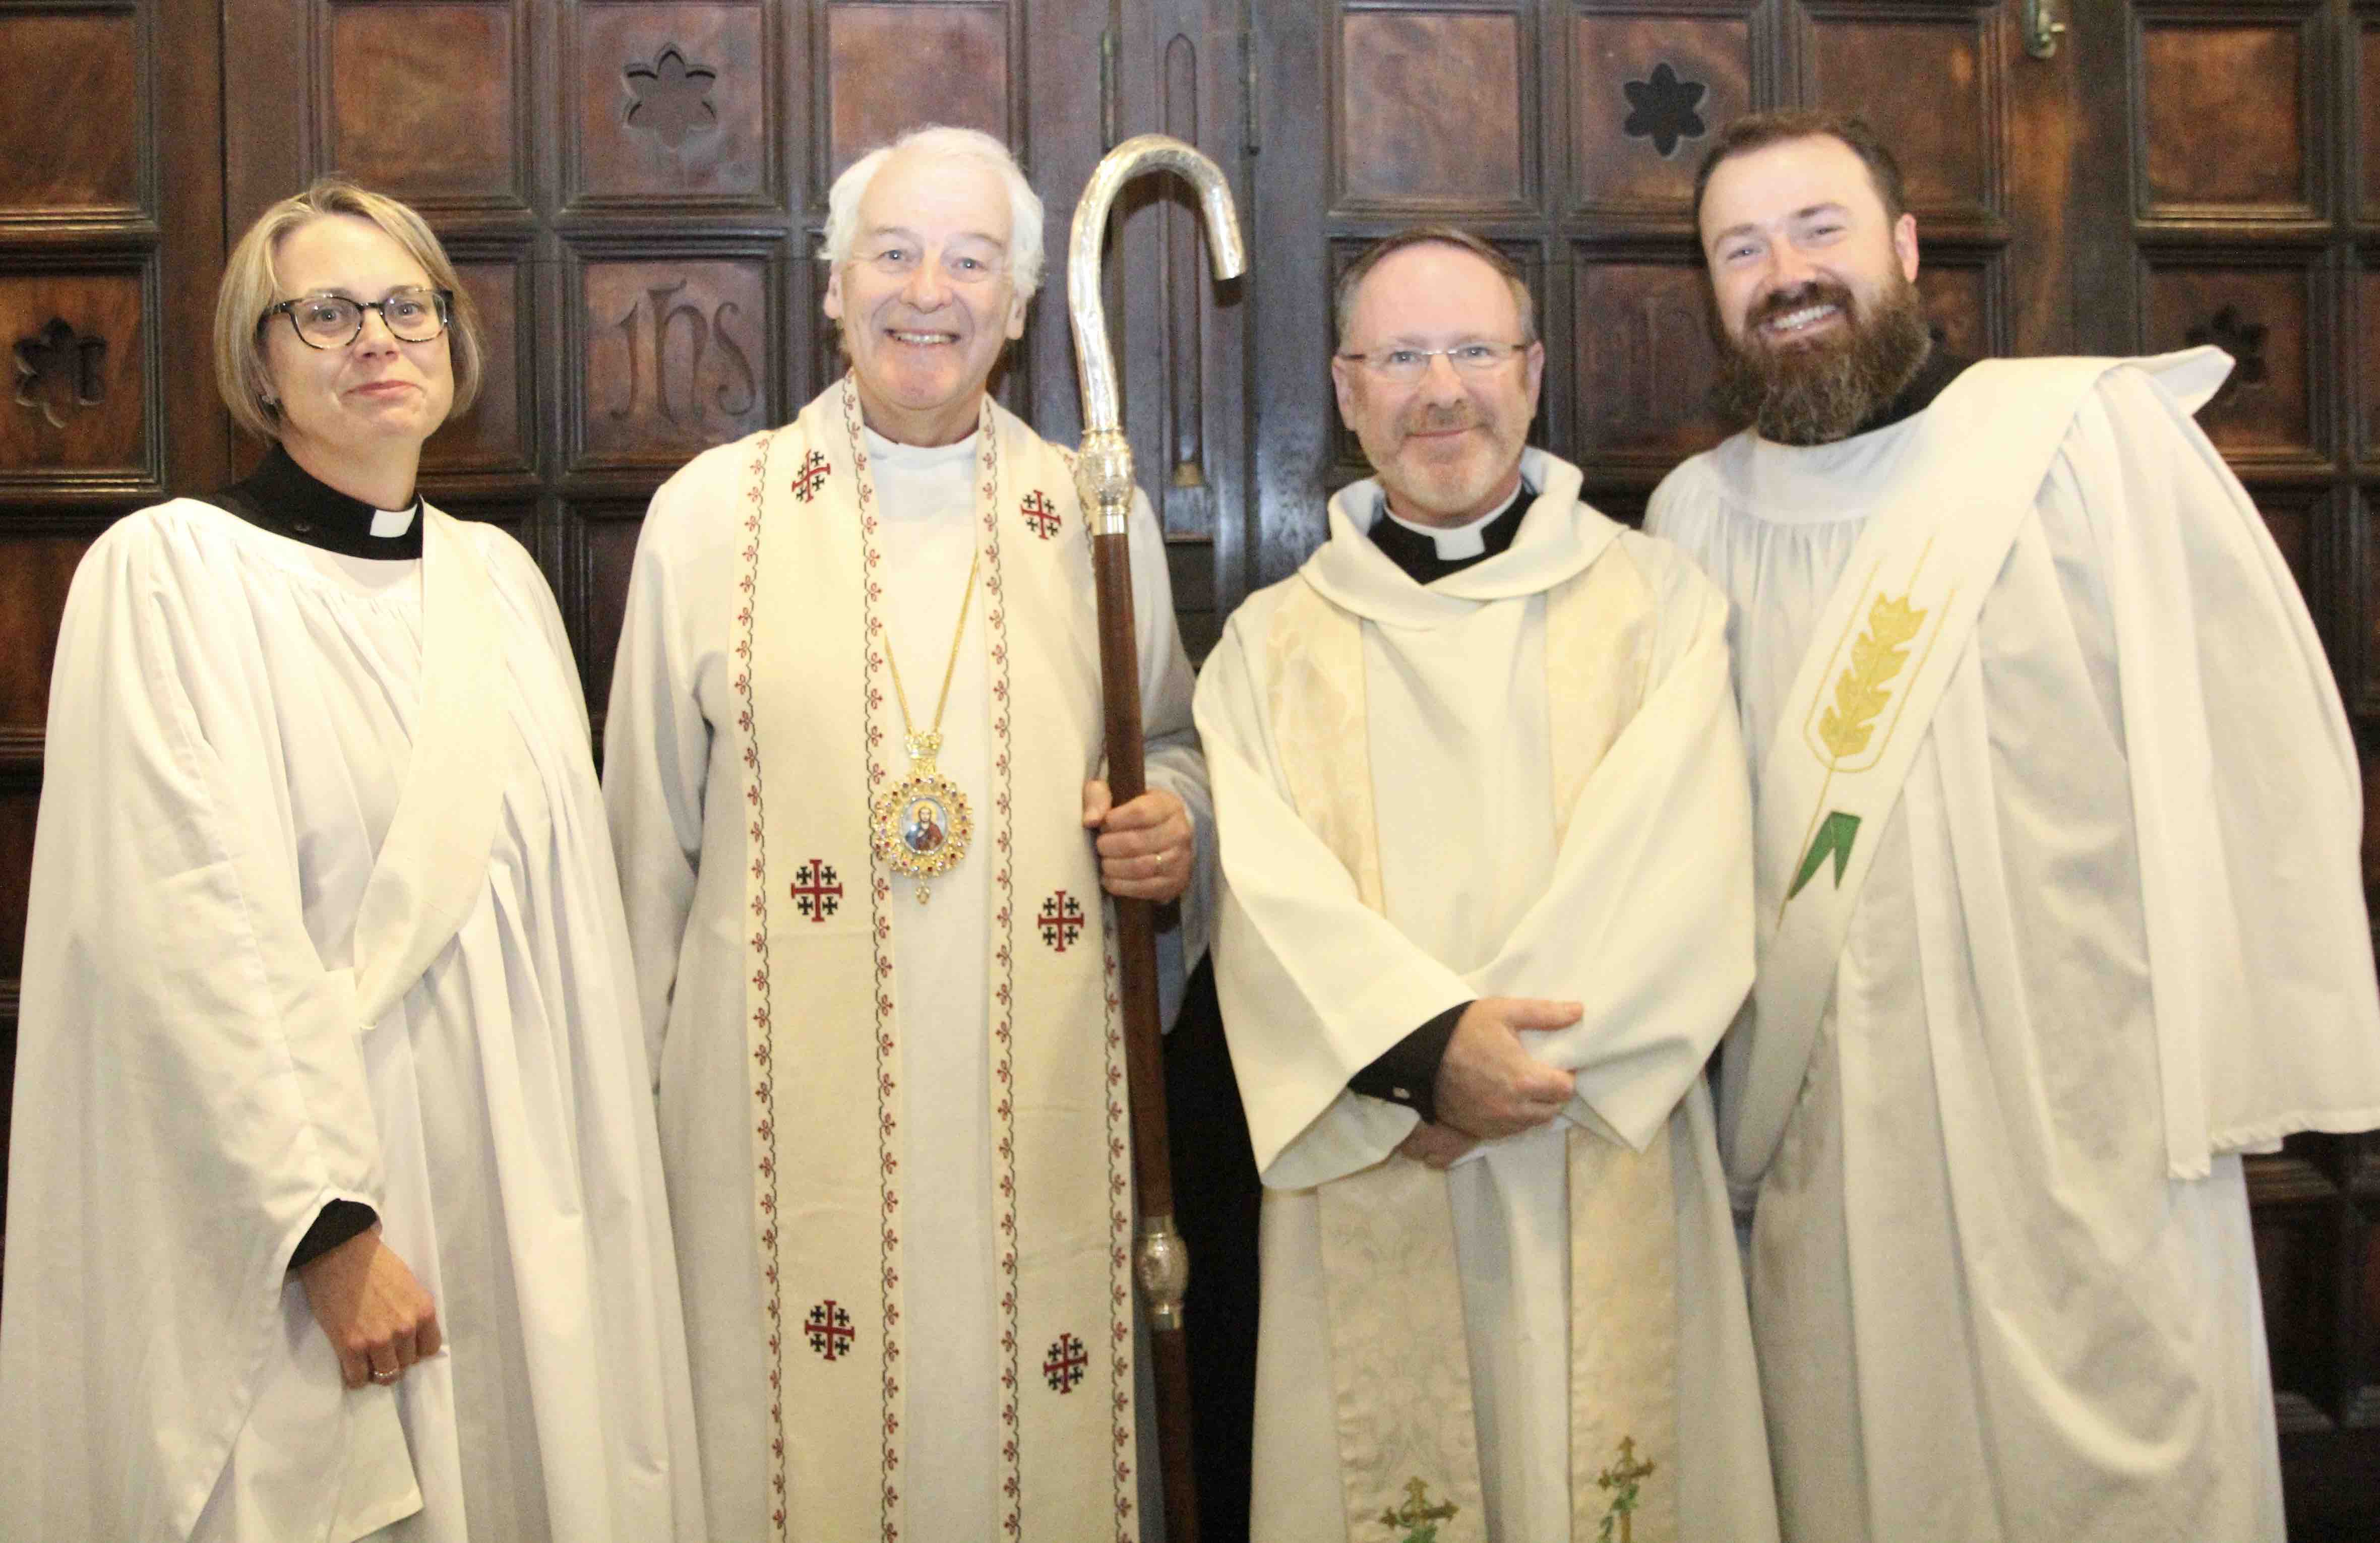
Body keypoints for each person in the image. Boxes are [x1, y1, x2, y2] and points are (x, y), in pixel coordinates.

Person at [1647, 109, 2380, 1543]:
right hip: (1831, 1141)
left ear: (1905, 248)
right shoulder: (1693, 520)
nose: (1784, 271)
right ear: (1711, 292)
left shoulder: (2082, 443)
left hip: (2085, 1120)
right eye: (1741, 248)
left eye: (1818, 229)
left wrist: (2235, 1051)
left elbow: (2256, 755)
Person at [0, 180, 704, 1542]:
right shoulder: (171, 577)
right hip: (312, 1215)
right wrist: (325, 1233)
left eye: (404, 306)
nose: (374, 338)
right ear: (254, 362)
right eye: (321, 313)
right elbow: (187, 939)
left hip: (521, 1204)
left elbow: (560, 936)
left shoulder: (500, 583)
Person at [602, 124, 1211, 1541]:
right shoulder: (710, 519)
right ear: (831, 287)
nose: (925, 291)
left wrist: (1176, 823)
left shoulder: (1089, 513)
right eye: (891, 253)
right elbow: (639, 852)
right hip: (762, 1118)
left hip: (1040, 1100)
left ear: (1017, 307)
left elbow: (1168, 746)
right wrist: (614, 1137)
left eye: (969, 261)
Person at [1196, 225, 1778, 1542]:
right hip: (1380, 1142)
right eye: (1399, 357)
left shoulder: (1655, 603)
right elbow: (1270, 913)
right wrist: (1414, 1060)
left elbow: (1680, 870)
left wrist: (1493, 1073)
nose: (1438, 391)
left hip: (1593, 1138)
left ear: (1530, 373)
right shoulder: (1269, 647)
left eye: (1469, 351)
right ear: (1347, 392)